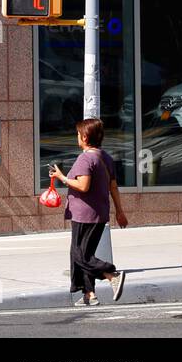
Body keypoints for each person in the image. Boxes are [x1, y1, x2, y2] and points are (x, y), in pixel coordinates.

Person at [50, 117, 128, 306]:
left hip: (84, 215)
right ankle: (89, 294)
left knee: (80, 255)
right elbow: (114, 187)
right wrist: (120, 211)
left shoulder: (85, 158)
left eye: (78, 134)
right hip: (99, 213)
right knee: (85, 253)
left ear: (85, 136)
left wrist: (62, 177)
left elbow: (83, 186)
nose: (77, 137)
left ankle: (111, 274)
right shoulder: (106, 157)